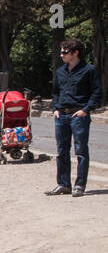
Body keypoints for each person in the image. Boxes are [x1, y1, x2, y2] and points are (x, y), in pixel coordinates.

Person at [47, 38, 102, 197]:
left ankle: (79, 186)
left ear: (75, 53)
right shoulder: (60, 72)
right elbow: (55, 92)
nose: (61, 55)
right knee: (62, 151)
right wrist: (55, 108)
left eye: (65, 52)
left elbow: (97, 93)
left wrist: (85, 110)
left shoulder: (89, 70)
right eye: (61, 51)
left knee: (81, 151)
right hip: (61, 115)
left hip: (79, 115)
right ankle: (64, 184)